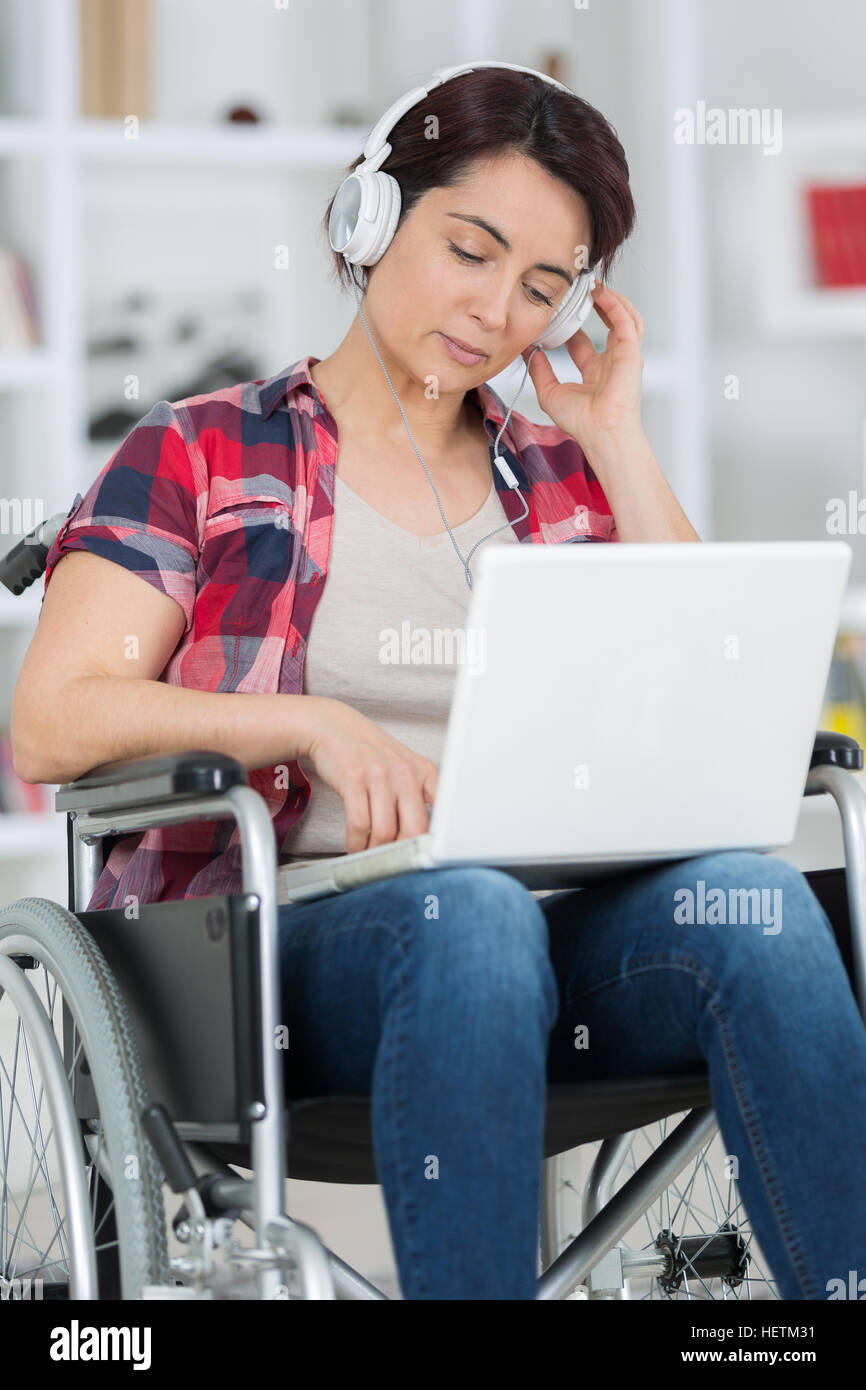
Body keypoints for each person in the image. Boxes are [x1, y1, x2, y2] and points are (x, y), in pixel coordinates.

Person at [14, 66, 866, 1300]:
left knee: (757, 901)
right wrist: (311, 721)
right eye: (469, 250)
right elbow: (50, 720)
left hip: (559, 935)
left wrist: (614, 436)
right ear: (371, 220)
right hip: (291, 943)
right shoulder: (203, 447)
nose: (496, 313)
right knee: (462, 912)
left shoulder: (564, 481)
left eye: (540, 286)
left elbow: (713, 685)